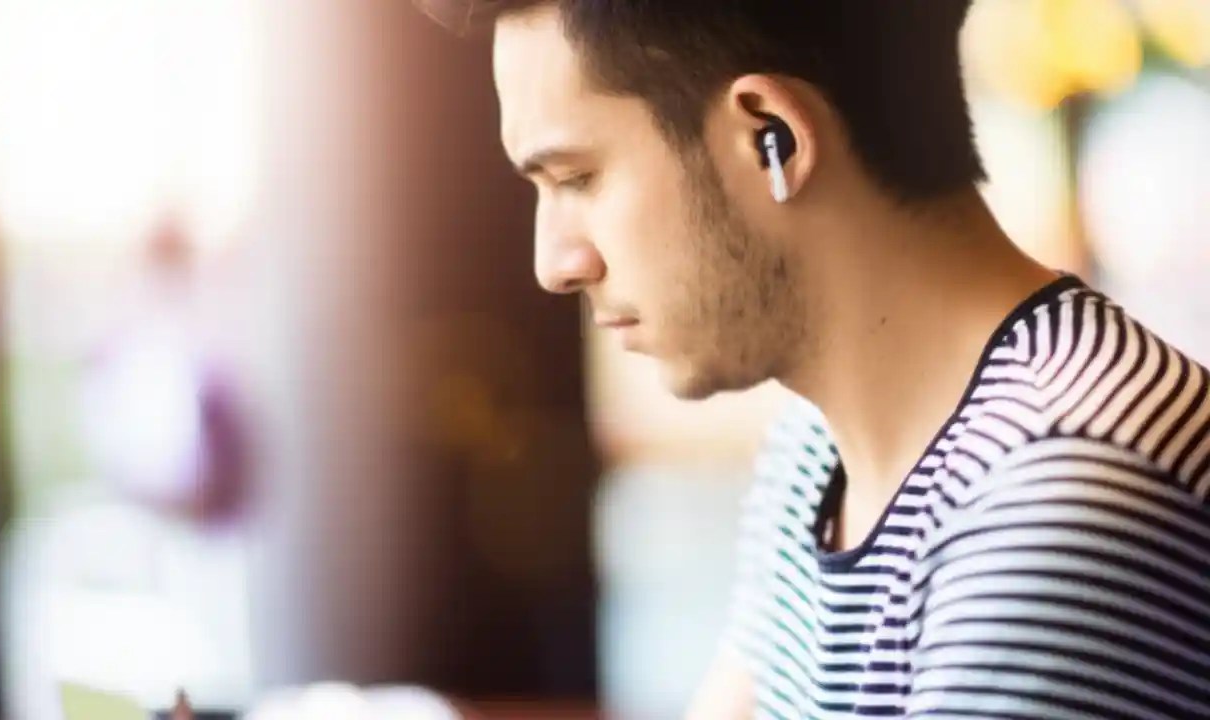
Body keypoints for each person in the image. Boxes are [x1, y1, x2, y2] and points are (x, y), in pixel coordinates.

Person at [413, 1, 1210, 718]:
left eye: (578, 178)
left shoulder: (1063, 488)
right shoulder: (817, 452)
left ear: (775, 137)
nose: (555, 263)